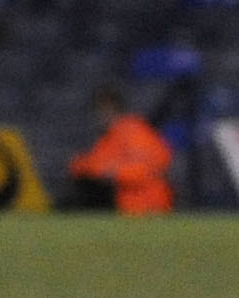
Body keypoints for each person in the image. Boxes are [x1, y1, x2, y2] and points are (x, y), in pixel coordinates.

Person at [65, 85, 174, 213]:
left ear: (112, 109)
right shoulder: (109, 137)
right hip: (125, 207)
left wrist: (114, 171)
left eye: (102, 110)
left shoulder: (133, 130)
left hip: (149, 206)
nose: (98, 116)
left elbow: (145, 169)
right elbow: (89, 165)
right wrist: (89, 166)